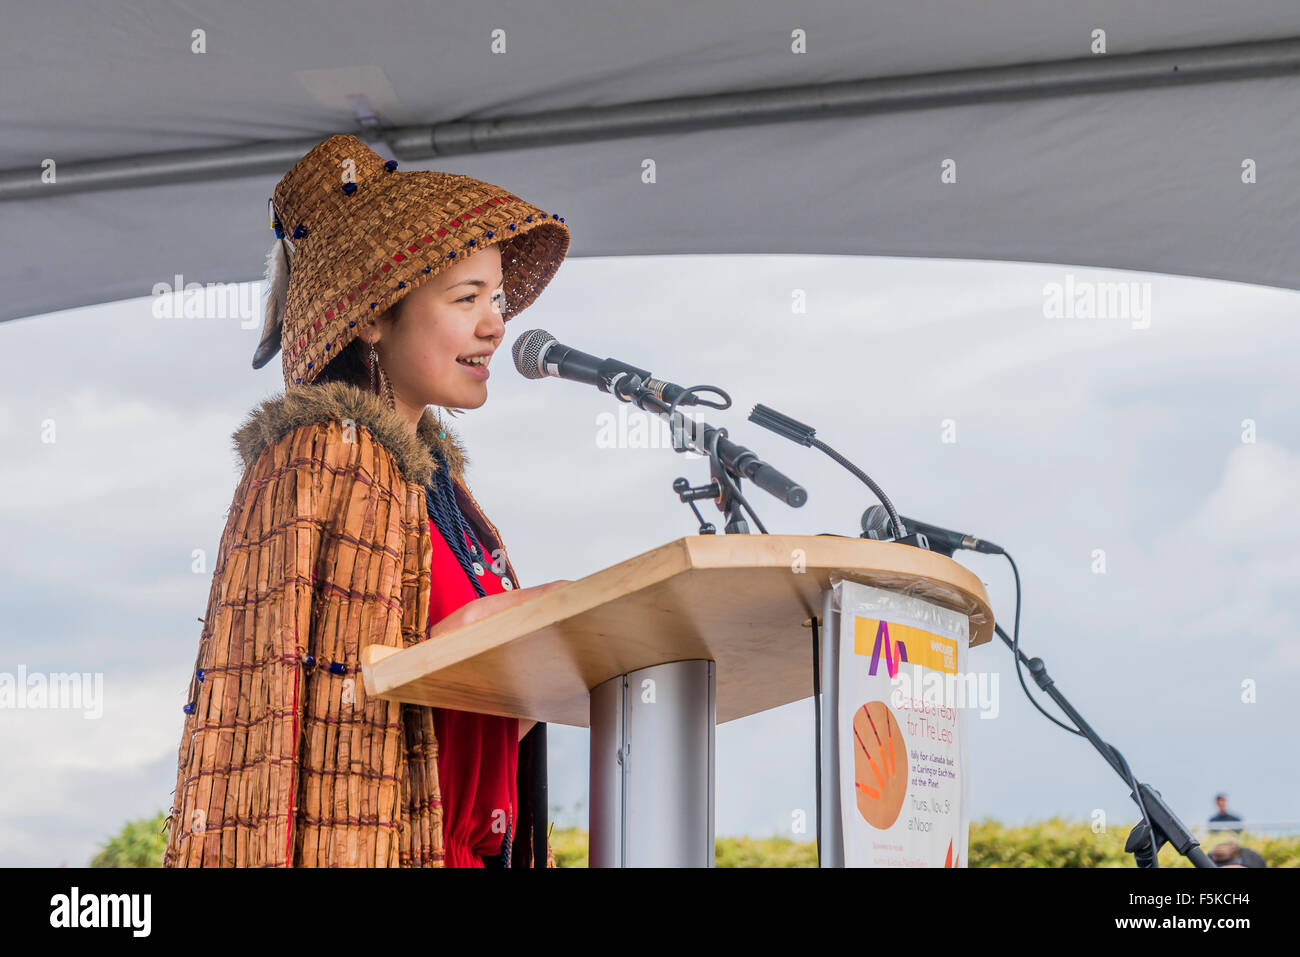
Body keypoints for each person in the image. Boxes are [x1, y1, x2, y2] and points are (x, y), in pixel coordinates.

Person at [163, 133, 571, 867]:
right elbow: (330, 712)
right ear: (373, 317)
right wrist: (493, 621)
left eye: (499, 299)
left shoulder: (444, 494)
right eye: (466, 297)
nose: (495, 324)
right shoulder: (325, 455)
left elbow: (462, 728)